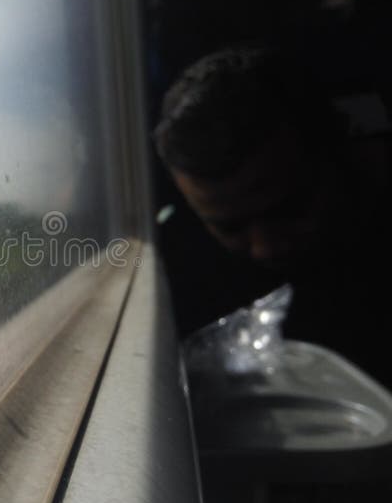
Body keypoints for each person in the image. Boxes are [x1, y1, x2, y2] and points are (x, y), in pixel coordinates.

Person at [154, 45, 392, 387]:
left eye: (288, 209)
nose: (264, 247)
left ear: (339, 150)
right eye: (229, 227)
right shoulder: (177, 258)